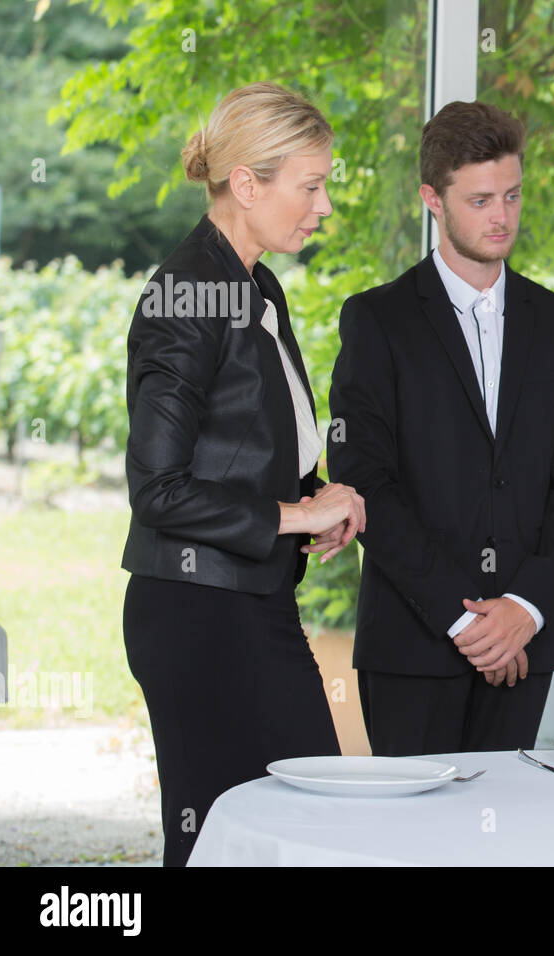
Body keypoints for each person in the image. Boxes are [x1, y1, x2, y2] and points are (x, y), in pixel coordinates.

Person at [121, 82, 366, 866]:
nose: (323, 205)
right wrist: (293, 518)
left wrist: (322, 497)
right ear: (248, 184)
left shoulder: (257, 283)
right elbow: (157, 488)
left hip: (250, 603)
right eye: (312, 184)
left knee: (301, 827)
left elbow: (254, 439)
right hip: (196, 616)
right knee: (219, 842)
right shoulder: (186, 294)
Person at [327, 101, 554, 756]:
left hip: (525, 644)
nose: (501, 216)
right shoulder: (377, 321)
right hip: (412, 643)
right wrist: (464, 619)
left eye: (511, 195)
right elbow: (365, 480)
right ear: (433, 198)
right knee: (413, 852)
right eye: (480, 200)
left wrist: (524, 609)